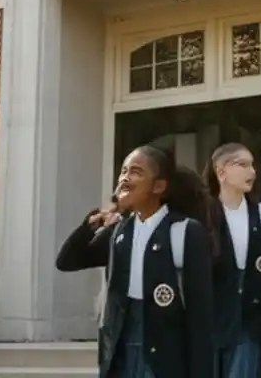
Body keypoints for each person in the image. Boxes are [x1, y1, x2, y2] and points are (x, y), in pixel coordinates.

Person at [56, 145, 214, 378]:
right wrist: (89, 226)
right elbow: (67, 261)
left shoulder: (185, 232)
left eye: (136, 172)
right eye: (123, 171)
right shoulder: (119, 232)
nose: (125, 178)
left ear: (159, 186)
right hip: (121, 349)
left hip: (165, 353)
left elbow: (200, 317)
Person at [204, 143, 261, 378]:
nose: (252, 172)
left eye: (252, 165)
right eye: (243, 165)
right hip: (213, 321)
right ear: (221, 172)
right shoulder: (203, 215)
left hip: (252, 322)